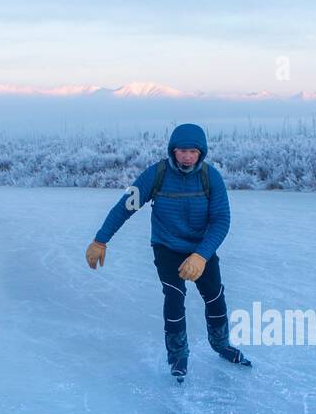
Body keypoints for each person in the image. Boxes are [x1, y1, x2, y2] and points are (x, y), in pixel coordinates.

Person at [86, 122, 251, 383]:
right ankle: (177, 356)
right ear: (173, 150)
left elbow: (221, 220)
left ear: (201, 153)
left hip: (201, 248)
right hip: (167, 247)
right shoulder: (156, 175)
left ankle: (222, 345)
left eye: (193, 151)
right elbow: (124, 207)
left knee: (215, 296)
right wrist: (100, 240)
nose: (187, 156)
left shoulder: (211, 177)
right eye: (182, 151)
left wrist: (201, 255)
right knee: (174, 297)